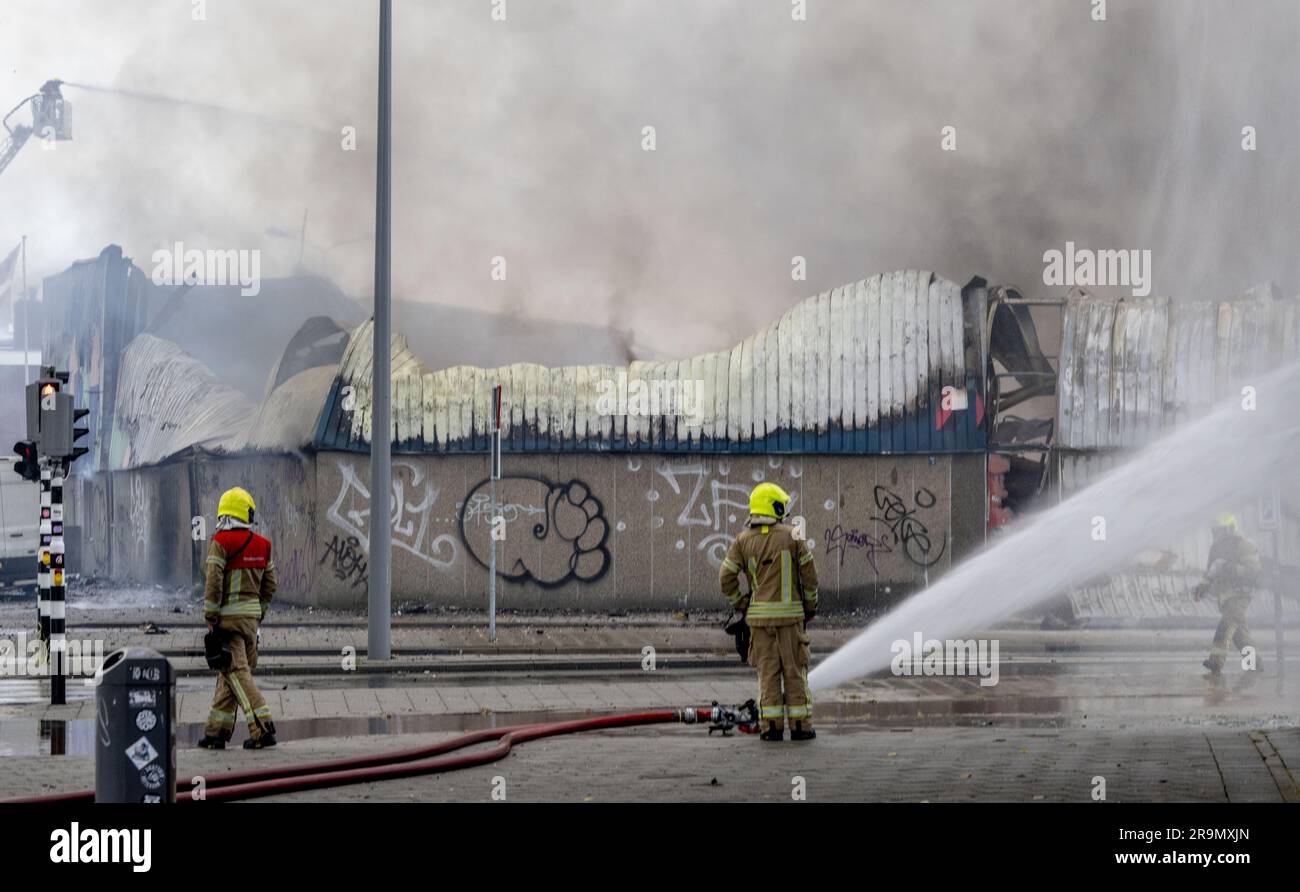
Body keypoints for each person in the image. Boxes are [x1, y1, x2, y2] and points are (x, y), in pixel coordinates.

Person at [719, 482, 819, 741]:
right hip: (790, 621)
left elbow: (726, 577)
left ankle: (771, 729)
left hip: (759, 624)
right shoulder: (793, 536)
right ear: (774, 506)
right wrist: (810, 607)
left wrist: (741, 603)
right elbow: (810, 578)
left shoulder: (742, 540)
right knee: (795, 674)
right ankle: (800, 727)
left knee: (768, 676)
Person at [197, 487, 278, 749]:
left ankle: (263, 729)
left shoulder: (221, 542)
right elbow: (270, 585)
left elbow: (213, 582)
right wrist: (258, 612)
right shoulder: (263, 545)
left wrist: (211, 616)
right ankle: (215, 733)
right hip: (251, 623)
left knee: (238, 674)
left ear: (224, 513)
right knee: (229, 675)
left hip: (228, 624)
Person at [1193, 514, 1260, 675]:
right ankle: (1255, 665)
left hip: (1240, 595)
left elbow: (1253, 571)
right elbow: (1210, 572)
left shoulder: (1244, 545)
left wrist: (1231, 568)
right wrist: (1201, 587)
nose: (1217, 534)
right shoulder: (1215, 548)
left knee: (1226, 625)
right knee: (1241, 636)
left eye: (1220, 530)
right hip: (1224, 597)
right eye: (1214, 531)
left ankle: (1216, 661)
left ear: (1230, 528)